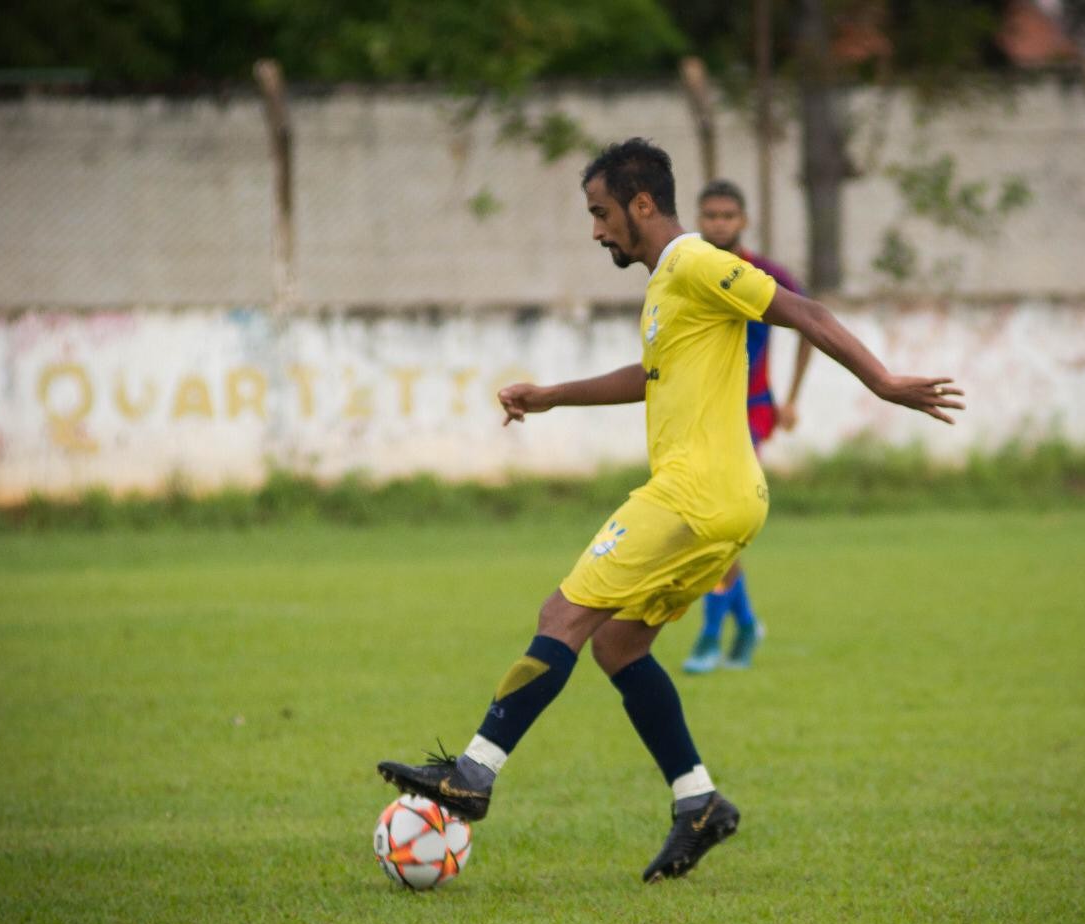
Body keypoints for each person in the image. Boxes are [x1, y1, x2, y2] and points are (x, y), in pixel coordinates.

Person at [378, 138, 963, 883]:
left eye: (601, 213)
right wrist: (553, 394)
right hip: (730, 503)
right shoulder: (666, 287)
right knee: (618, 647)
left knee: (562, 614)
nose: (596, 231)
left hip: (692, 494)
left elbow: (799, 308)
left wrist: (880, 381)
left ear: (642, 204)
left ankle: (473, 774)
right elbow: (653, 376)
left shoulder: (692, 262)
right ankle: (699, 803)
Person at [683, 178, 812, 675]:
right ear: (698, 218)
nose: (718, 223)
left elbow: (811, 325)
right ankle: (747, 621)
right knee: (712, 525)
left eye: (727, 216)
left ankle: (710, 636)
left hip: (751, 411)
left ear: (743, 221)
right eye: (710, 215)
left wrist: (793, 399)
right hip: (701, 417)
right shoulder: (689, 271)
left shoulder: (766, 275)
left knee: (716, 521)